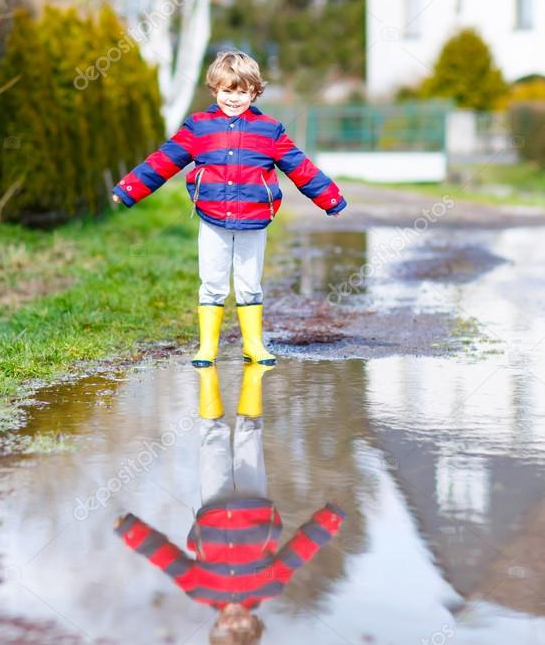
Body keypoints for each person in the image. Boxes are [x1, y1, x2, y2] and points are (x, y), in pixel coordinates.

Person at [111, 51, 347, 367]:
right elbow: (164, 161)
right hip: (212, 220)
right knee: (212, 282)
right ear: (214, 89)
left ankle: (254, 345)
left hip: (254, 220)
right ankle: (207, 347)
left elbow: (300, 166)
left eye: (242, 91)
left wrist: (329, 198)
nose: (234, 99)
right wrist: (129, 188)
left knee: (249, 283)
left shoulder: (269, 130)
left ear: (254, 92)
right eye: (227, 90)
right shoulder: (198, 127)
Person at [113, 364, 346, 645]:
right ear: (255, 623)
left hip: (213, 510)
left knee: (212, 437)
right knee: (249, 434)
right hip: (254, 508)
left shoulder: (200, 590)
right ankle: (254, 371)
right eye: (243, 631)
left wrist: (130, 531)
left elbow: (165, 557)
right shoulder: (268, 585)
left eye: (227, 633)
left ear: (217, 627)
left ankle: (206, 371)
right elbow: (298, 552)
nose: (235, 624)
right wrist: (329, 521)